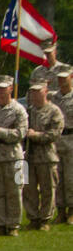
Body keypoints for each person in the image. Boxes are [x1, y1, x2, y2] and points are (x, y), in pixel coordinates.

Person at [0, 76, 28, 236]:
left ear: (11, 88)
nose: (1, 92)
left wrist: (0, 131)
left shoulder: (19, 110)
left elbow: (21, 133)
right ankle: (0, 224)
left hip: (15, 156)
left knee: (15, 191)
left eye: (5, 88)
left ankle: (13, 225)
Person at [23, 77, 65, 231]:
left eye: (38, 91)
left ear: (46, 92)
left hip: (47, 157)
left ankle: (45, 219)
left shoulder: (54, 111)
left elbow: (55, 134)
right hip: (29, 157)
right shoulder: (27, 111)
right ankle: (33, 218)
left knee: (48, 189)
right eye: (32, 92)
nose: (34, 95)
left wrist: (36, 135)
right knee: (28, 189)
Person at [49, 63, 73, 224]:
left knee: (71, 177)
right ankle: (61, 210)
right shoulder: (53, 97)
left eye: (64, 79)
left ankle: (71, 210)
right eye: (59, 79)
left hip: (71, 139)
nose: (62, 82)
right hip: (56, 140)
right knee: (57, 177)